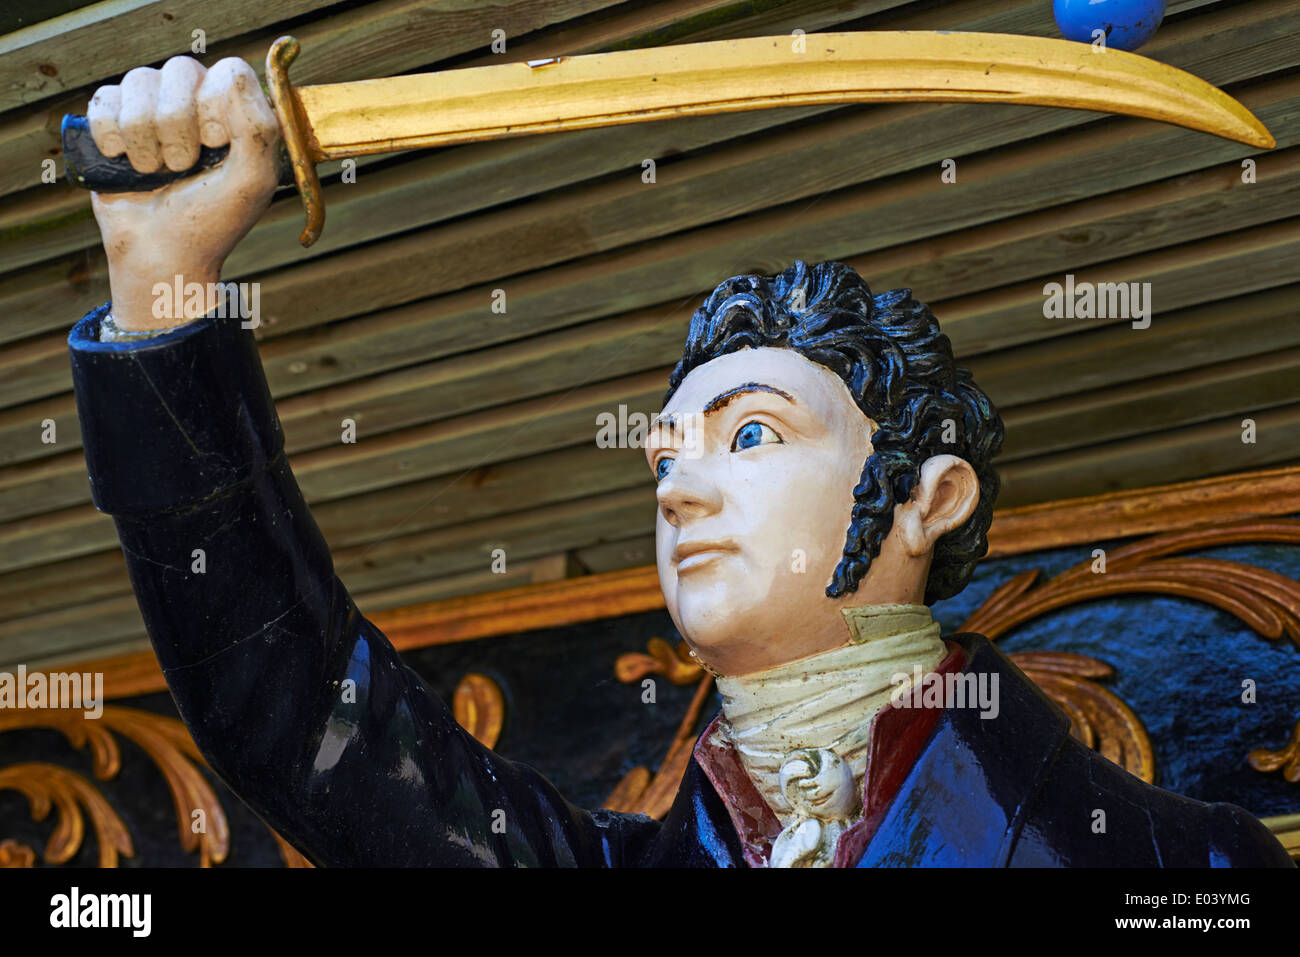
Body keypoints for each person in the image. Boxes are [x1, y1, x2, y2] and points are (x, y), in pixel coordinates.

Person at [66, 55, 1293, 867]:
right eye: (664, 457)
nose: (680, 486)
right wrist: (164, 286)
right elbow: (308, 728)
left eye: (752, 434)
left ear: (931, 498)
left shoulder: (1187, 873)